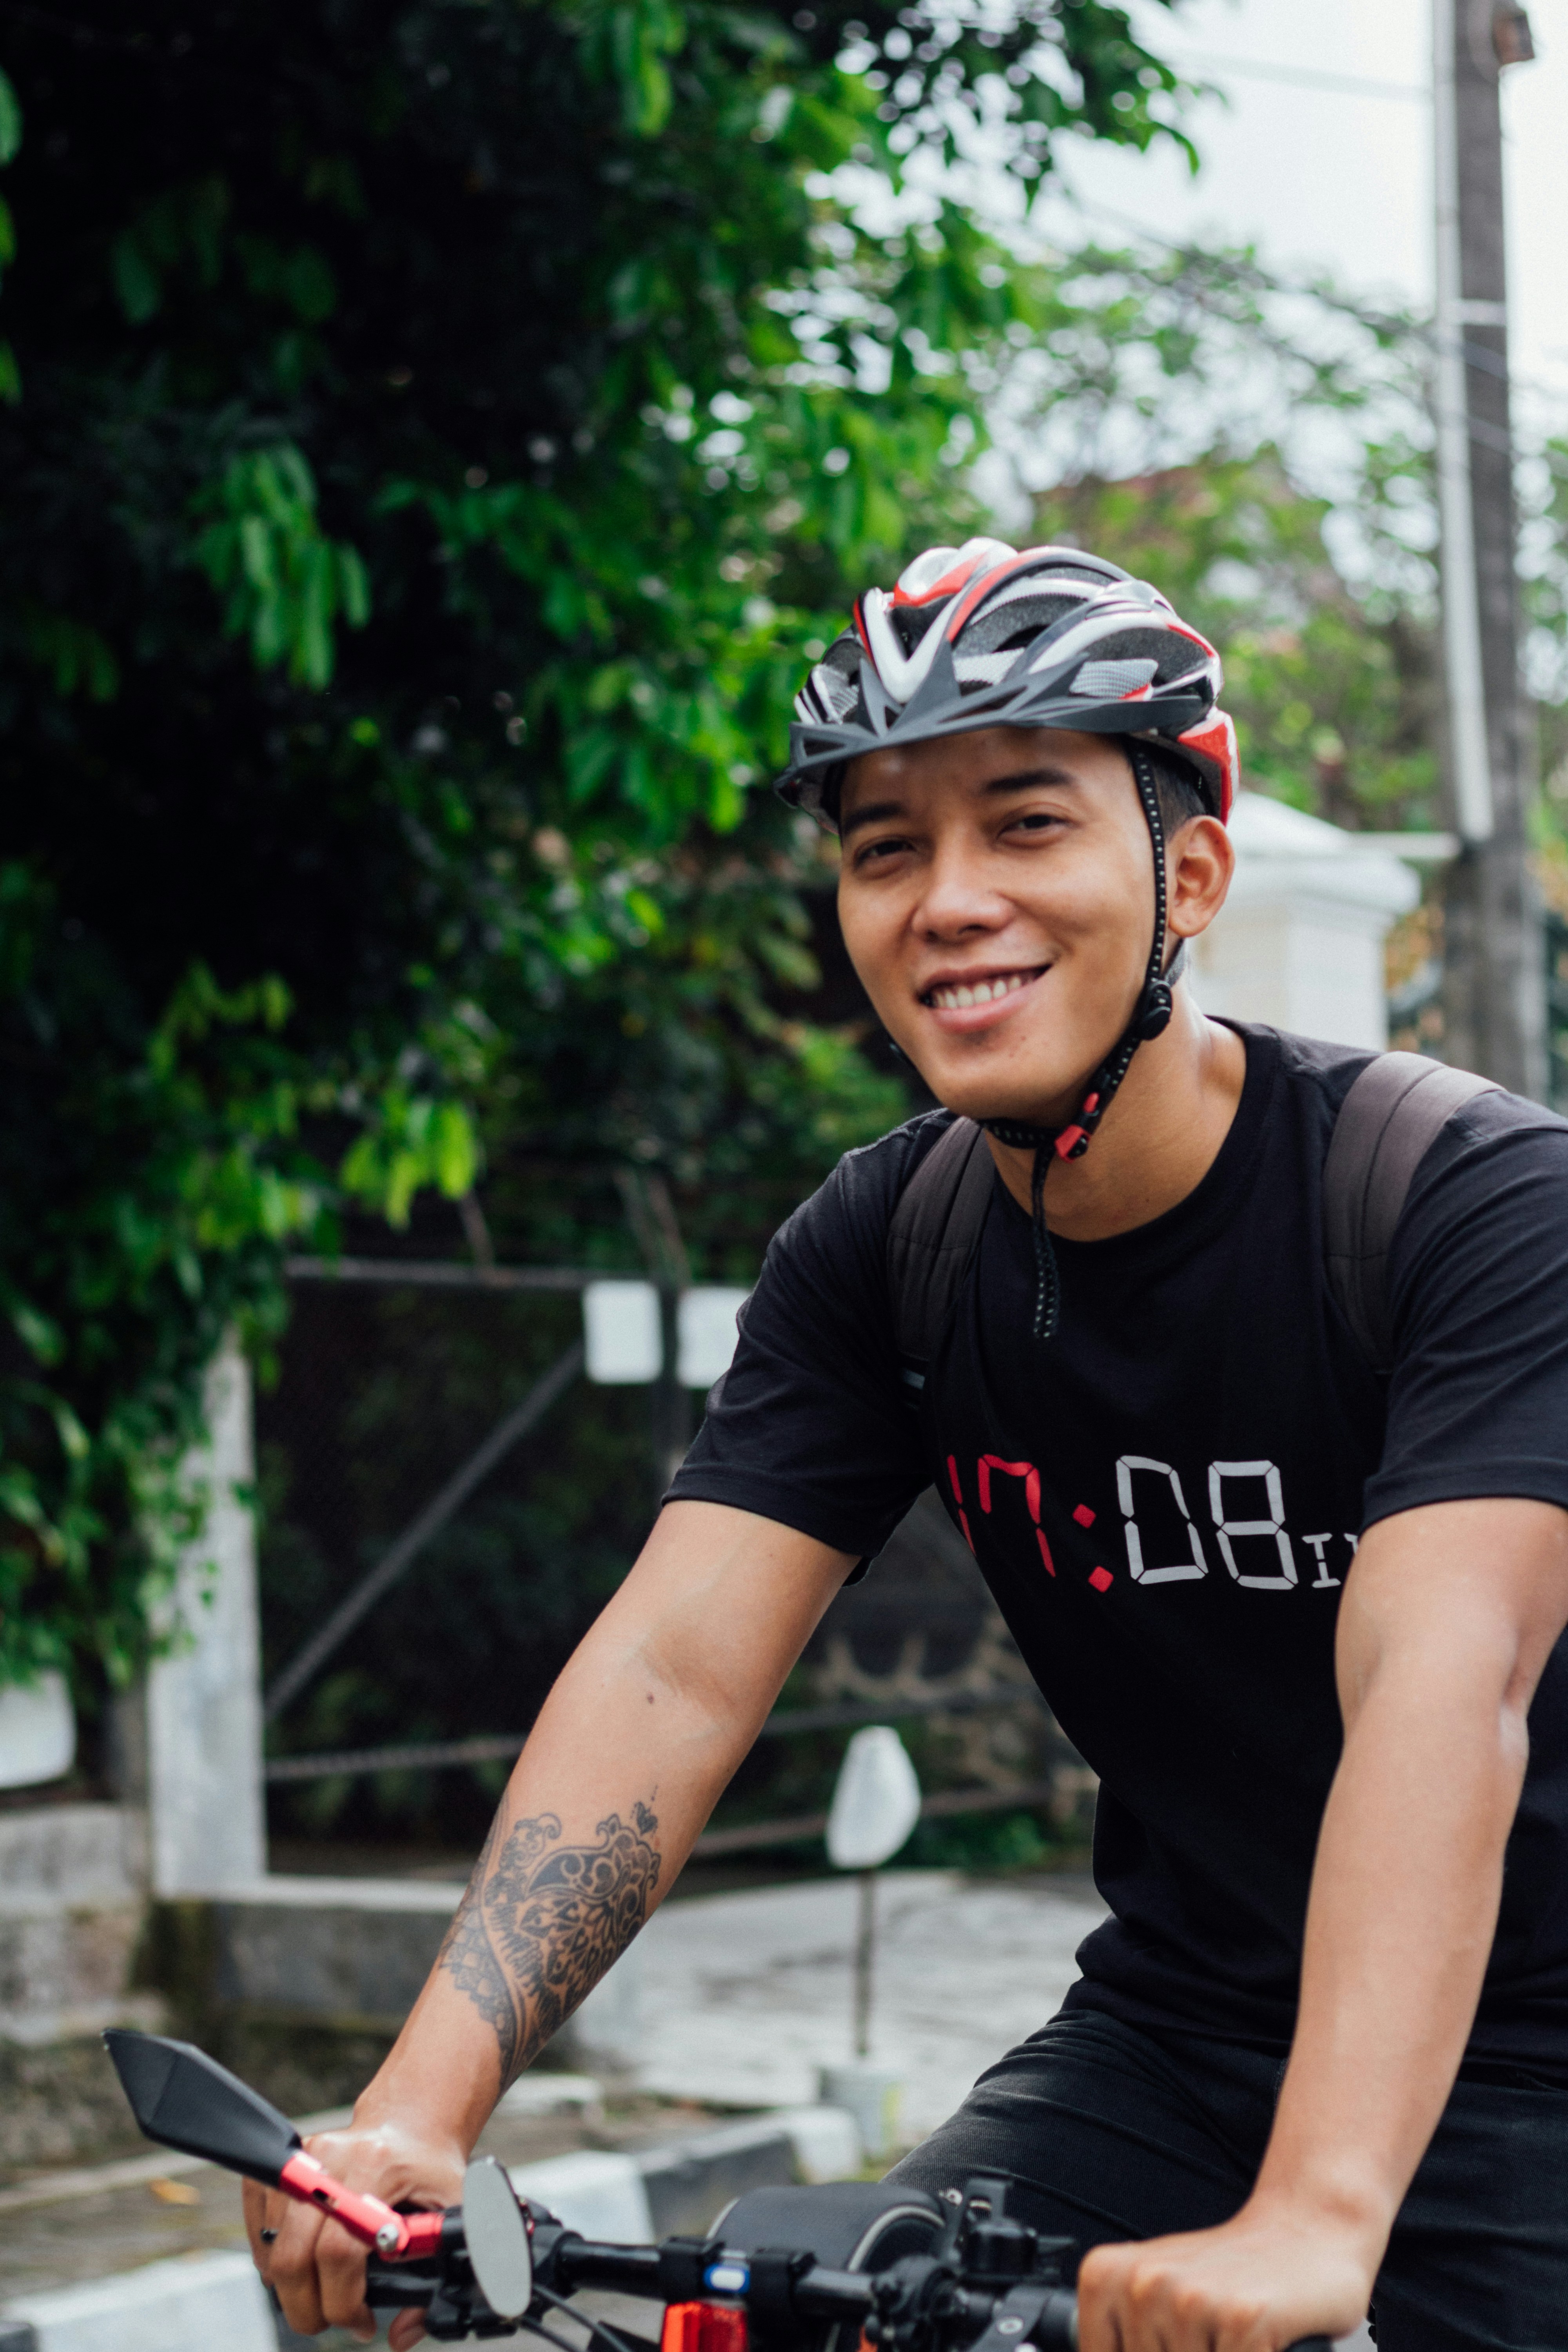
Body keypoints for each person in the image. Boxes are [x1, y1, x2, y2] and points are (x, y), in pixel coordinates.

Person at [250, 540, 1568, 2352]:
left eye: (1026, 824)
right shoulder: (888, 1252)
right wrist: (419, 2108)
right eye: (888, 848)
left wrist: (1316, 2215)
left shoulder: (1464, 1208)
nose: (948, 900)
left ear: (1189, 868)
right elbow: (673, 1666)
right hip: (1177, 2041)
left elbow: (1447, 1684)